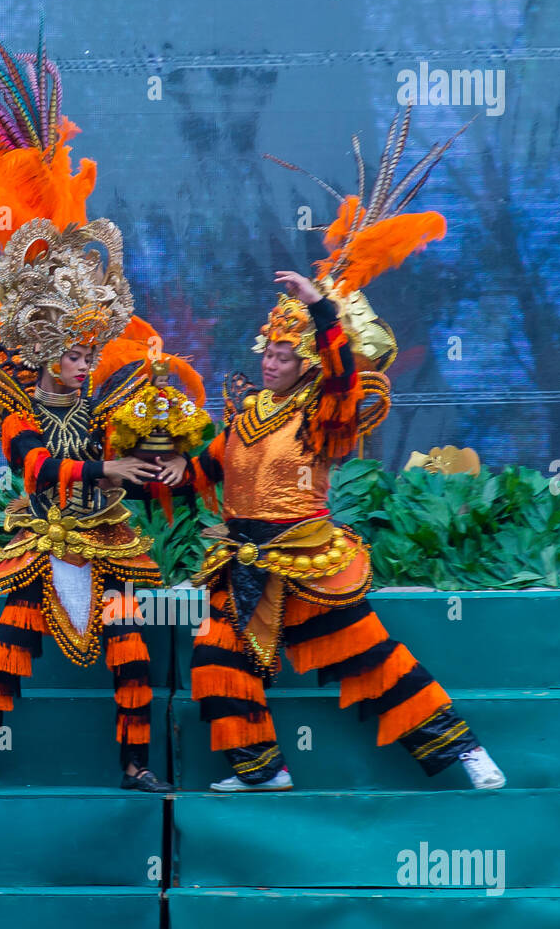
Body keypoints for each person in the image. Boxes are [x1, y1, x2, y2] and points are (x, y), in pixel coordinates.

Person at [158, 106, 506, 792]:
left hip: (308, 556)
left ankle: (465, 754)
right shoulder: (246, 412)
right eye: (268, 351)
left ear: (308, 361)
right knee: (215, 658)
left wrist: (322, 308)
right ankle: (262, 771)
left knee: (370, 657)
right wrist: (159, 470)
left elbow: (348, 375)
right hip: (243, 560)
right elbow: (207, 469)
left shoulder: (326, 411)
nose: (270, 361)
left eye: (285, 354)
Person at [0, 218, 179, 793]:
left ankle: (136, 767)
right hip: (40, 551)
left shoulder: (100, 415)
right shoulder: (19, 417)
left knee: (133, 662)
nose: (88, 365)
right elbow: (40, 469)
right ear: (51, 357)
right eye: (79, 356)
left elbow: (133, 472)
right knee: (2, 663)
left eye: (90, 355)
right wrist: (107, 468)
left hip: (105, 551)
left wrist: (167, 460)